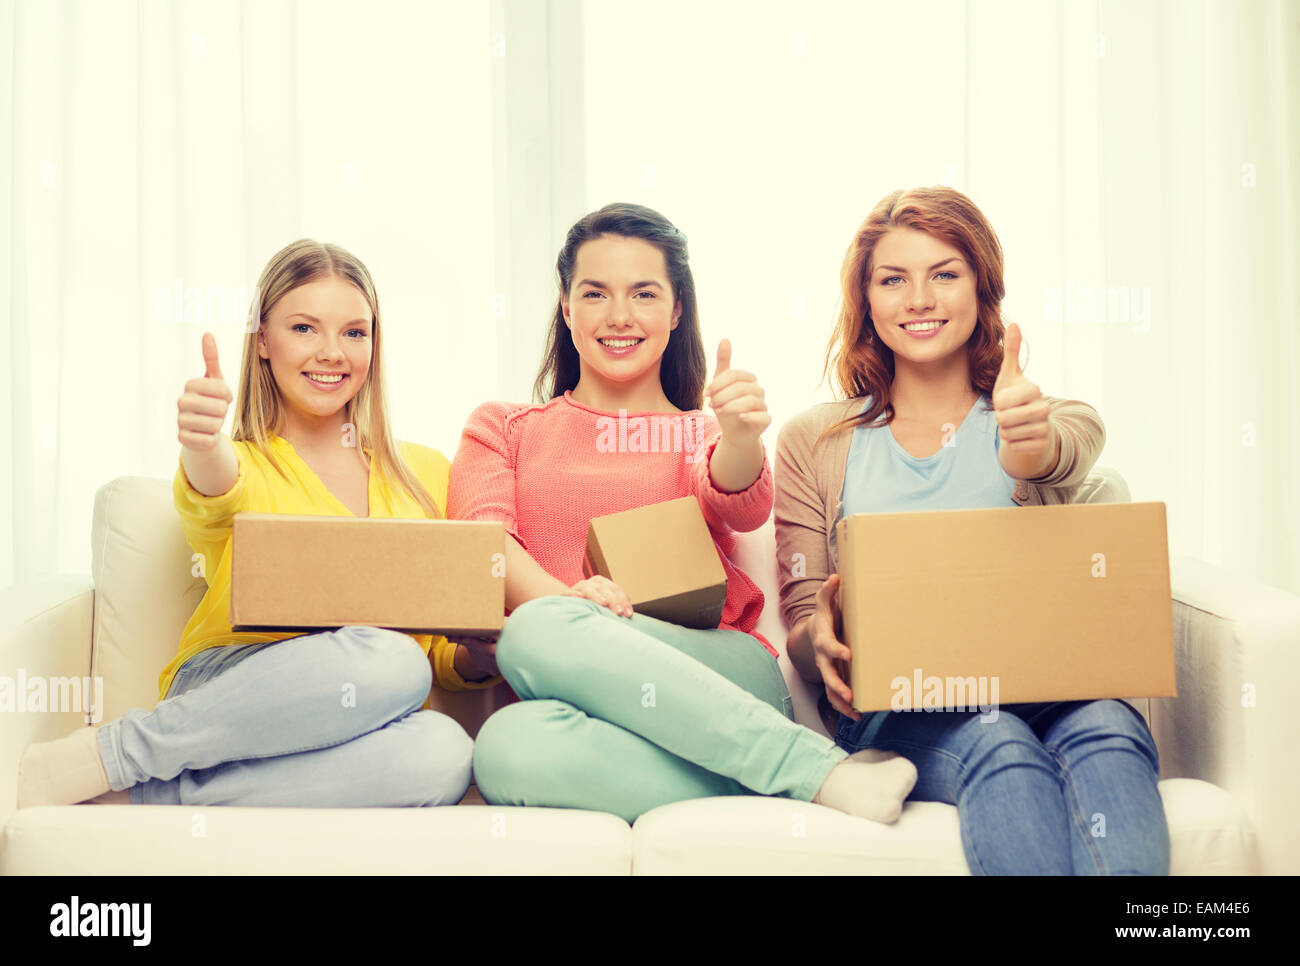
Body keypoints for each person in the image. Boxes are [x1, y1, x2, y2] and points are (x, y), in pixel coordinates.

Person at [448, 202, 918, 825]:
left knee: (534, 630)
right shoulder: (502, 428)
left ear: (675, 311)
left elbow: (739, 498)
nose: (619, 316)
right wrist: (574, 607)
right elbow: (485, 544)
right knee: (506, 751)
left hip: (721, 672)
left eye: (644, 293)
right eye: (595, 293)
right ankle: (798, 777)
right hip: (578, 690)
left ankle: (806, 766)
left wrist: (741, 439)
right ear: (565, 305)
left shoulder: (700, 435)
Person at [774, 186, 1170, 874]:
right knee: (1000, 740)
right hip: (906, 709)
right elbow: (804, 627)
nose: (919, 299)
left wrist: (1026, 445)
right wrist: (824, 637)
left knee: (1111, 727)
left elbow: (1056, 452)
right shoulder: (815, 441)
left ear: (982, 287)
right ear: (865, 300)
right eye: (892, 280)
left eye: (944, 274)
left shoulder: (1040, 417)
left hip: (1055, 691)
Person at [17, 239, 488, 808]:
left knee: (445, 752)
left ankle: (149, 794)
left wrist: (479, 655)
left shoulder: (425, 473)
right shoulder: (243, 463)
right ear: (263, 340)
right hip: (229, 681)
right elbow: (213, 485)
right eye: (304, 328)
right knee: (393, 659)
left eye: (354, 332)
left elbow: (433, 647)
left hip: (357, 710)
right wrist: (202, 442)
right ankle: (117, 753)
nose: (332, 352)